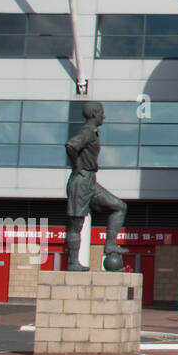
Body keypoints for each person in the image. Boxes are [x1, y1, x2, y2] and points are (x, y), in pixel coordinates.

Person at [64, 101, 128, 271]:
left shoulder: (93, 132)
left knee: (119, 206)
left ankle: (110, 245)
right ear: (94, 114)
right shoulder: (87, 131)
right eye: (101, 113)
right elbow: (71, 145)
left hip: (90, 181)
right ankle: (73, 263)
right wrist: (76, 166)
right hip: (81, 181)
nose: (103, 116)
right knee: (77, 225)